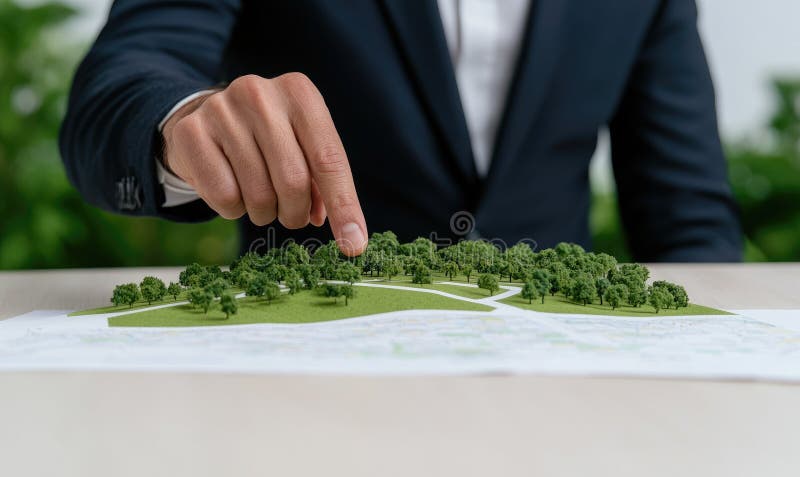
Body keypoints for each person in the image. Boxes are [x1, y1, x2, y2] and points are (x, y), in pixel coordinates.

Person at [60, 0, 742, 261]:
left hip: (555, 384)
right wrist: (182, 119)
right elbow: (120, 84)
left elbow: (688, 219)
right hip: (301, 381)